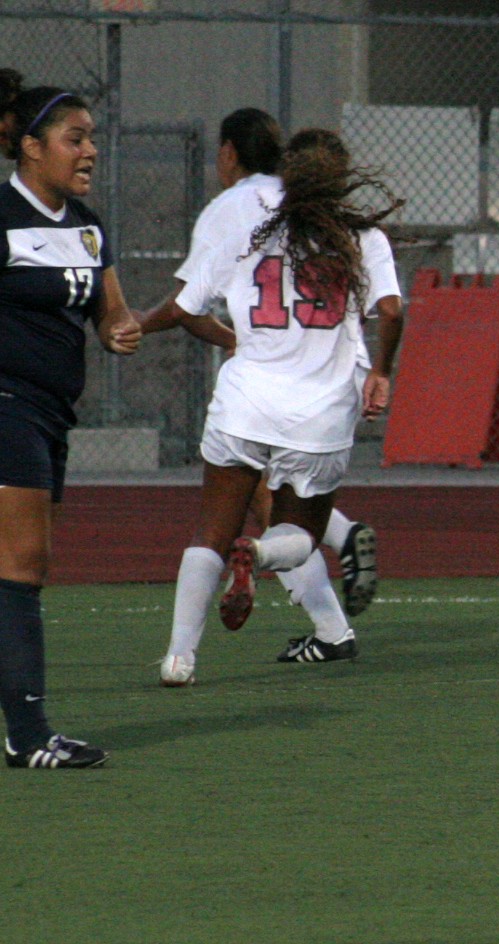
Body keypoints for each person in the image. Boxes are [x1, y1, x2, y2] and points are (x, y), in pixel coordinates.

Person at [152, 127, 403, 685]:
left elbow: (187, 308)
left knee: (209, 533)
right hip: (319, 413)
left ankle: (178, 659)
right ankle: (259, 557)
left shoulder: (245, 227)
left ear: (286, 177)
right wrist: (381, 371)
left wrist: (229, 339)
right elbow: (390, 310)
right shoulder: (363, 238)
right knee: (301, 535)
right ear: (341, 181)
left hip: (244, 402)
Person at [0, 82, 141, 768]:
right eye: (73, 138)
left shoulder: (86, 226)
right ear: (30, 146)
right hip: (5, 405)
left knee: (22, 567)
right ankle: (28, 737)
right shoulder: (0, 215)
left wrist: (119, 328)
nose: (89, 151)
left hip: (51, 414)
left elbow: (110, 308)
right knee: (20, 565)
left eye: (89, 138)